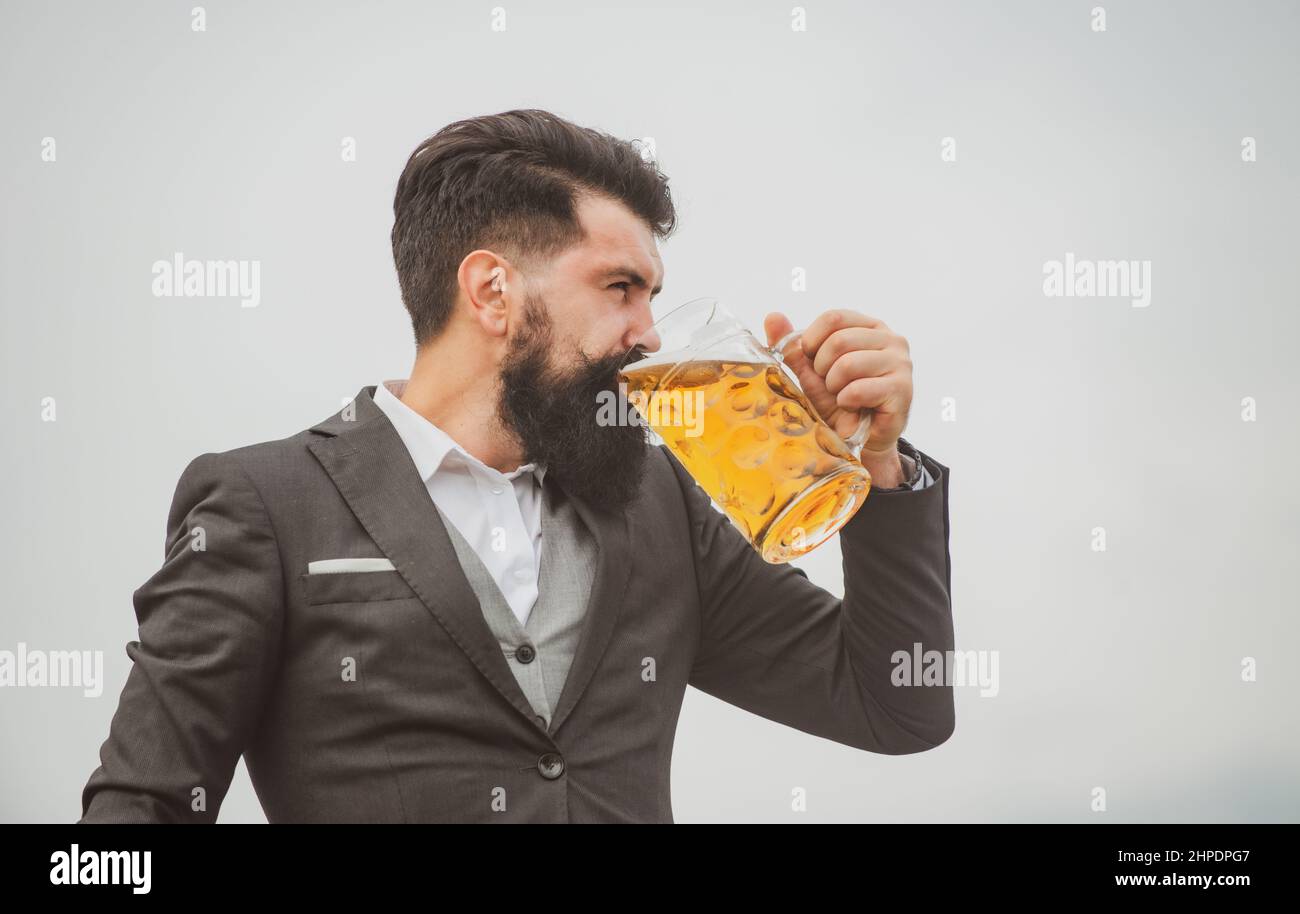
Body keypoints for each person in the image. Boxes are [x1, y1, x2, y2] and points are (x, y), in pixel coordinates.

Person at [79, 109, 953, 823]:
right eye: (620, 288)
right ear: (492, 290)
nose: (648, 333)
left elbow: (897, 705)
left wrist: (877, 467)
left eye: (652, 294)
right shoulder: (266, 504)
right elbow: (137, 814)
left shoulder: (659, 506)